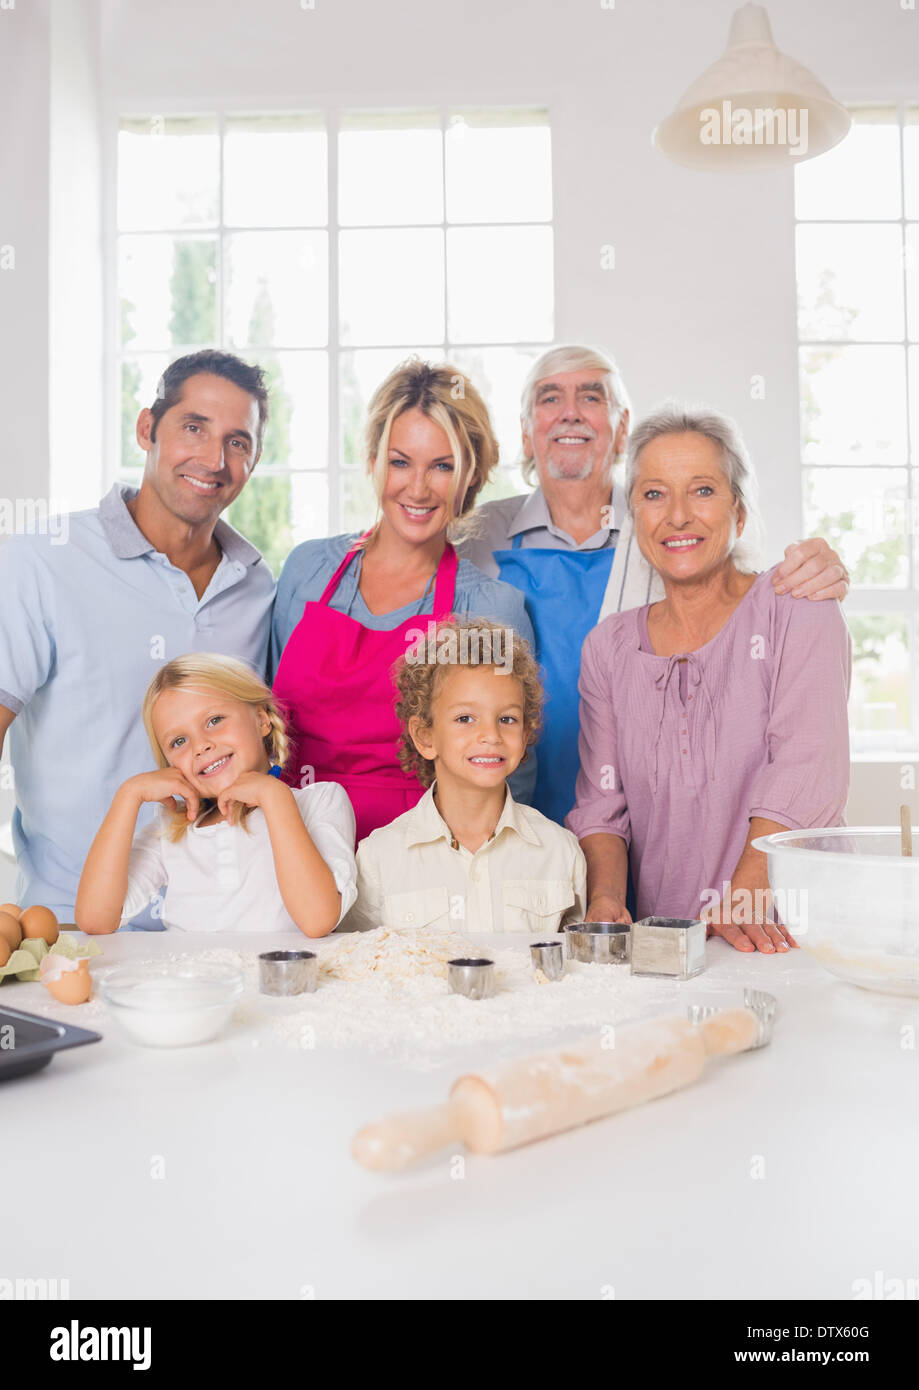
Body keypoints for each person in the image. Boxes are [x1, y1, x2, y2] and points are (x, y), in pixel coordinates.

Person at [458, 344, 850, 825]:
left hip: (650, 818)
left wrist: (819, 569)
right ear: (525, 432)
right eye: (549, 398)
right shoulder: (475, 537)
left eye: (592, 397)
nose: (570, 414)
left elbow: (742, 596)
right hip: (514, 805)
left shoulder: (671, 529)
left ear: (623, 428)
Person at [0, 351, 276, 924]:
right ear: (147, 428)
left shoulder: (256, 587)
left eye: (238, 442)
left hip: (221, 929)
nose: (213, 459)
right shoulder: (42, 560)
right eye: (194, 427)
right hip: (70, 926)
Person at [566, 405, 851, 954]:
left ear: (738, 513)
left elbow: (809, 766)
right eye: (653, 494)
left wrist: (744, 894)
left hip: (786, 929)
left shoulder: (797, 604)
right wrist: (605, 898)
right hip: (671, 942)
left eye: (701, 490)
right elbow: (602, 804)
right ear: (634, 519)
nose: (677, 516)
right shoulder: (608, 646)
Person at [271, 360, 536, 845]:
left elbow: (506, 775)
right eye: (400, 462)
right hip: (294, 856)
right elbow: (264, 729)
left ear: (470, 476)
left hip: (421, 866)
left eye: (442, 466)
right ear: (372, 460)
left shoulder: (491, 608)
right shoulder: (306, 571)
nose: (418, 488)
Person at [75, 654, 356, 936]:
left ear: (261, 720)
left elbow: (318, 920)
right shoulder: (171, 829)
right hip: (192, 978)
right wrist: (128, 795)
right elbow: (95, 919)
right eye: (179, 741)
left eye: (214, 720)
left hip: (277, 980)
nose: (201, 746)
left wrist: (274, 798)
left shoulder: (321, 801)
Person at [346, 619, 586, 933]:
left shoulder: (561, 852)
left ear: (526, 732)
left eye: (506, 718)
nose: (490, 734)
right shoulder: (379, 857)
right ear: (425, 736)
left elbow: (576, 972)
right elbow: (360, 967)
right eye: (465, 718)